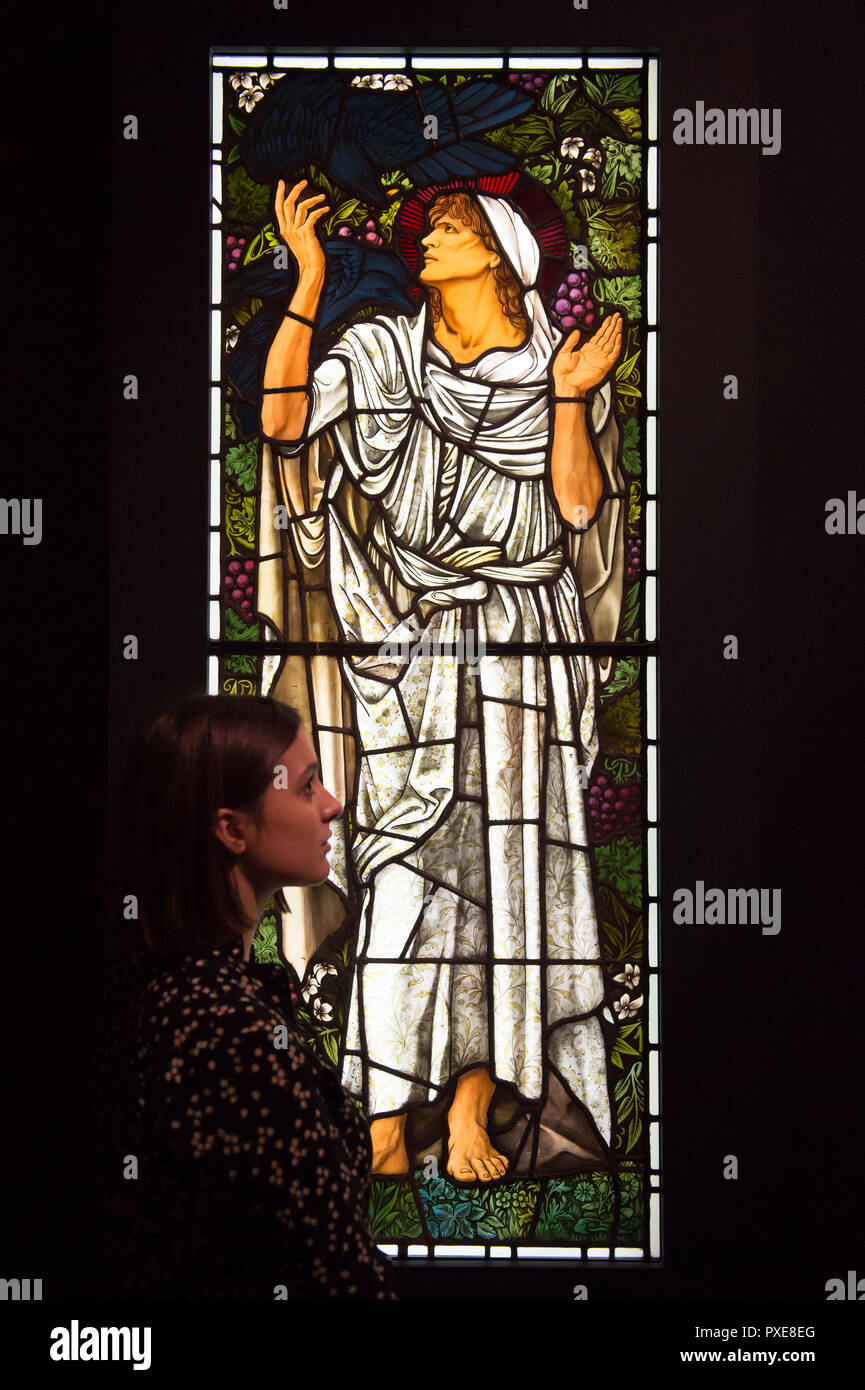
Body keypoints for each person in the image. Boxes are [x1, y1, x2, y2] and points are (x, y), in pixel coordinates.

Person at [261, 180, 623, 1187]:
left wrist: (567, 399)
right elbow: (284, 424)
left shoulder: (555, 366)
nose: (430, 238)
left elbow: (578, 514)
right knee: (405, 877)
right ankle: (383, 1106)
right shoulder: (381, 354)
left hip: (514, 645)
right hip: (402, 645)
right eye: (434, 227)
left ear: (503, 262)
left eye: (454, 230)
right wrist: (311, 282)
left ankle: (470, 1104)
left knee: (505, 884)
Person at [95, 693, 399, 1299]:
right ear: (231, 828)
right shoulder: (219, 1028)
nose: (333, 808)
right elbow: (335, 1275)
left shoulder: (163, 981)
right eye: (308, 787)